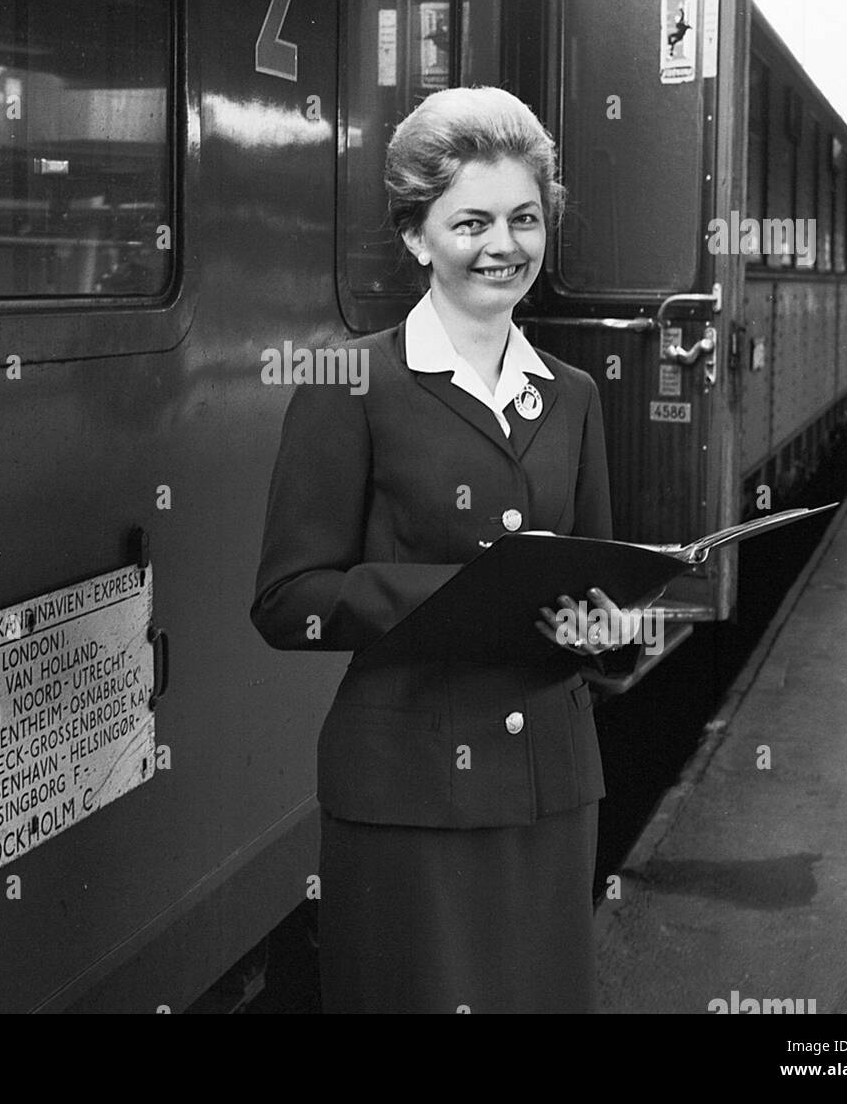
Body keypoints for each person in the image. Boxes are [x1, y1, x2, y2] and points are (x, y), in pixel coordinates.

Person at [251, 85, 638, 1014]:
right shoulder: (350, 381)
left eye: (525, 218)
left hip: (550, 788)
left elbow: (595, 577)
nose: (502, 245)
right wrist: (467, 595)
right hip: (405, 791)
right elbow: (287, 597)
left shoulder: (574, 393)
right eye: (471, 220)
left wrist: (613, 625)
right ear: (418, 236)